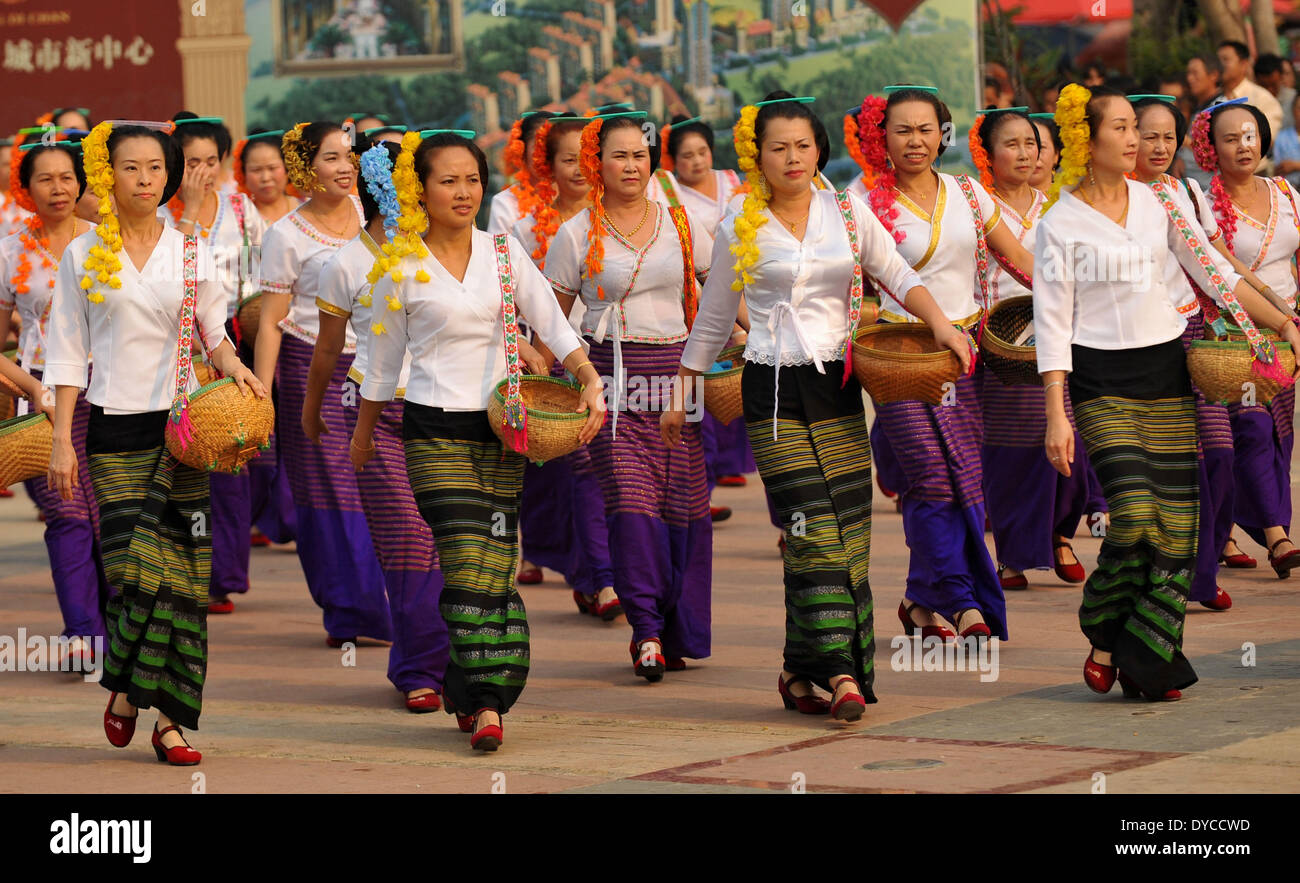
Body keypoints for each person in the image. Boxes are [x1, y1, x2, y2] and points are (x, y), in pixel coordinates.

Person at [666, 92, 970, 719]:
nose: (793, 157)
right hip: (772, 390)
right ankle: (840, 673)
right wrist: (682, 387)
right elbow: (716, 315)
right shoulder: (740, 223)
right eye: (778, 147)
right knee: (810, 530)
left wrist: (941, 323)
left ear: (819, 149)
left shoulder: (848, 212)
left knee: (849, 534)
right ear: (759, 156)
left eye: (803, 145)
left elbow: (898, 276)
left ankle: (800, 668)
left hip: (836, 384)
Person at [1036, 85, 1300, 702]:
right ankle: (1103, 630)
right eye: (1123, 128)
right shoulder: (1060, 222)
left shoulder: (1160, 202)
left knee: (1179, 526)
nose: (1137, 140)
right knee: (1132, 517)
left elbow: (1213, 267)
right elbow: (1051, 320)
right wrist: (1056, 413)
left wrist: (1276, 321)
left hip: (1167, 371)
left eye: (1139, 128)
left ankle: (1143, 658)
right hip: (1099, 379)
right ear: (1086, 140)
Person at [352, 130, 604, 750]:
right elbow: (382, 367)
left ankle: (470, 693)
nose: (464, 192)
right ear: (420, 190)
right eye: (448, 181)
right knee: (467, 564)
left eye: (472, 180)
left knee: (493, 566)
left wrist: (590, 379)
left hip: (502, 431)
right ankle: (490, 703)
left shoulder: (503, 253)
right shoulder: (400, 266)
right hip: (433, 432)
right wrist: (361, 440)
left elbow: (551, 321)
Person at [45, 121, 267, 762]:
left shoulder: (193, 250)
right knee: (135, 579)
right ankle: (124, 690)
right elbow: (65, 352)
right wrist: (62, 437)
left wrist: (237, 370)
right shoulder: (84, 255)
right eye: (130, 167)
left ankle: (171, 720)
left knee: (186, 582)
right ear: (107, 177)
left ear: (169, 177)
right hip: (113, 431)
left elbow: (214, 336)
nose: (144, 179)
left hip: (184, 433)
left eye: (155, 168)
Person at [859, 85, 1033, 642]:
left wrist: (1081, 294)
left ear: (943, 134)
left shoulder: (968, 193)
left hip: (965, 356)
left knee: (965, 477)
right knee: (933, 478)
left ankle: (918, 597)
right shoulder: (857, 201)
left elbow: (1020, 258)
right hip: (899, 358)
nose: (915, 140)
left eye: (925, 129)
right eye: (902, 130)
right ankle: (962, 601)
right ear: (880, 137)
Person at [544, 111, 714, 682]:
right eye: (619, 155)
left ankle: (678, 629)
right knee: (632, 507)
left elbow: (718, 294)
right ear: (597, 163)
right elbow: (551, 318)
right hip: (610, 384)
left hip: (677, 381)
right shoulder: (576, 234)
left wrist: (753, 335)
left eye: (640, 154)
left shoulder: (681, 223)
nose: (632, 165)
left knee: (683, 510)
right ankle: (645, 630)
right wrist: (541, 376)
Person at [309, 140, 450, 712]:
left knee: (454, 541)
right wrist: (309, 407)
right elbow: (326, 350)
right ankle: (418, 669)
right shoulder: (344, 263)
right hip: (376, 414)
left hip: (446, 411)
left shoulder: (444, 252)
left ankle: (459, 661)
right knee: (410, 541)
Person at [254, 121, 392, 646]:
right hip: (311, 365)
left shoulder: (375, 215)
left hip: (379, 365)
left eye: (349, 157)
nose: (345, 167)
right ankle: (354, 611)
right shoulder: (286, 235)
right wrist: (262, 396)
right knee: (331, 491)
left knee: (382, 482)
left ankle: (390, 596)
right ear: (304, 168)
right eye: (331, 158)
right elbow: (270, 320)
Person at [1132, 94, 1269, 611]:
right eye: (1149, 135)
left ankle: (1201, 571)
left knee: (1219, 455)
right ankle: (1165, 575)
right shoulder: (1116, 200)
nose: (1160, 146)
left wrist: (1271, 312)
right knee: (1162, 469)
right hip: (1141, 344)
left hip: (1195, 334)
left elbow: (1215, 260)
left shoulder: (1184, 190)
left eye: (1170, 136)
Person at [967, 107, 1101, 591]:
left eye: (1032, 144)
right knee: (1012, 450)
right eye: (1013, 144)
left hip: (1062, 337)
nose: (1025, 153)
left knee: (1074, 441)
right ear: (987, 152)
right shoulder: (976, 205)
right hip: (1002, 345)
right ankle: (1012, 552)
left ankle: (1061, 534)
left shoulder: (1060, 205)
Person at [0, 139, 109, 662]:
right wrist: (33, 389)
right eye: (45, 178)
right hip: (40, 394)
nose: (59, 188)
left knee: (110, 514)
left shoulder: (105, 244)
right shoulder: (9, 250)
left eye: (67, 177)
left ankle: (118, 630)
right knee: (68, 514)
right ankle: (85, 636)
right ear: (27, 188)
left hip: (107, 391)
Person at [509, 115, 622, 620]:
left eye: (587, 157)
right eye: (566, 158)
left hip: (619, 358)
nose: (579, 168)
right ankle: (598, 577)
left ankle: (599, 575)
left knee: (608, 476)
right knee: (576, 472)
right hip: (549, 363)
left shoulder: (624, 218)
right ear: (547, 166)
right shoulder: (521, 229)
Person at [1191, 97, 1300, 578]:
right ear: (1211, 147)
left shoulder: (1287, 194)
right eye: (1230, 138)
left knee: (1279, 435)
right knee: (1252, 429)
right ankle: (1277, 536)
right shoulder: (1203, 203)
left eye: (1250, 135)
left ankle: (1235, 523)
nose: (1243, 146)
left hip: (1289, 329)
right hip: (1235, 333)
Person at [167, 113, 267, 615]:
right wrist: (186, 209)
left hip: (229, 341)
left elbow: (262, 275)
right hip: (172, 349)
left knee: (229, 457)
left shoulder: (241, 208)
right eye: (191, 162)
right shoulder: (159, 212)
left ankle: (223, 574)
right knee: (181, 456)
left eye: (211, 161)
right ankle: (181, 568)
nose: (202, 172)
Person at [658, 114, 756, 501]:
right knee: (702, 375)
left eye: (701, 152)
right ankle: (706, 477)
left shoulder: (731, 181)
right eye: (686, 156)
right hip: (699, 291)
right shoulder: (667, 192)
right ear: (674, 161)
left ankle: (731, 464)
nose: (696, 162)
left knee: (735, 373)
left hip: (739, 281)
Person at [1217, 41, 1284, 156]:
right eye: (1217, 61)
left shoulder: (1261, 98)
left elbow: (1268, 139)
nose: (1220, 66)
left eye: (1225, 60)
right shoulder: (1215, 97)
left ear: (1243, 64)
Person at [1272, 93, 1300, 189]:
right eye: (1299, 108)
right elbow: (1278, 171)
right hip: (1289, 190)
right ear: (1293, 110)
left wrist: (1295, 165)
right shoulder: (1281, 137)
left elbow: (1289, 166)